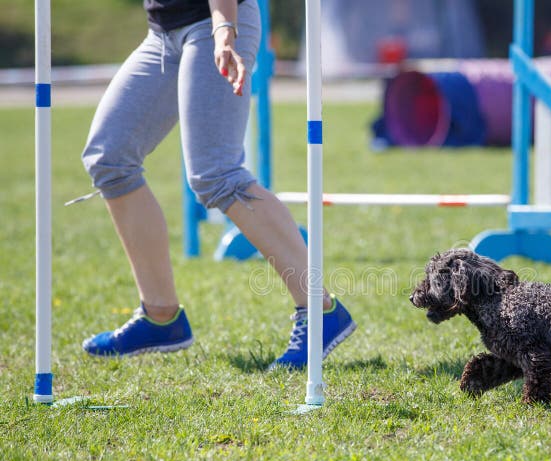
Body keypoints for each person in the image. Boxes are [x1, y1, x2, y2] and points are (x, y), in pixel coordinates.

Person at [78, 0, 356, 369]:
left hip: (216, 23)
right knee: (109, 159)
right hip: (162, 32)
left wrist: (224, 27)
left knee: (217, 174)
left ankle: (320, 310)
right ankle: (161, 317)